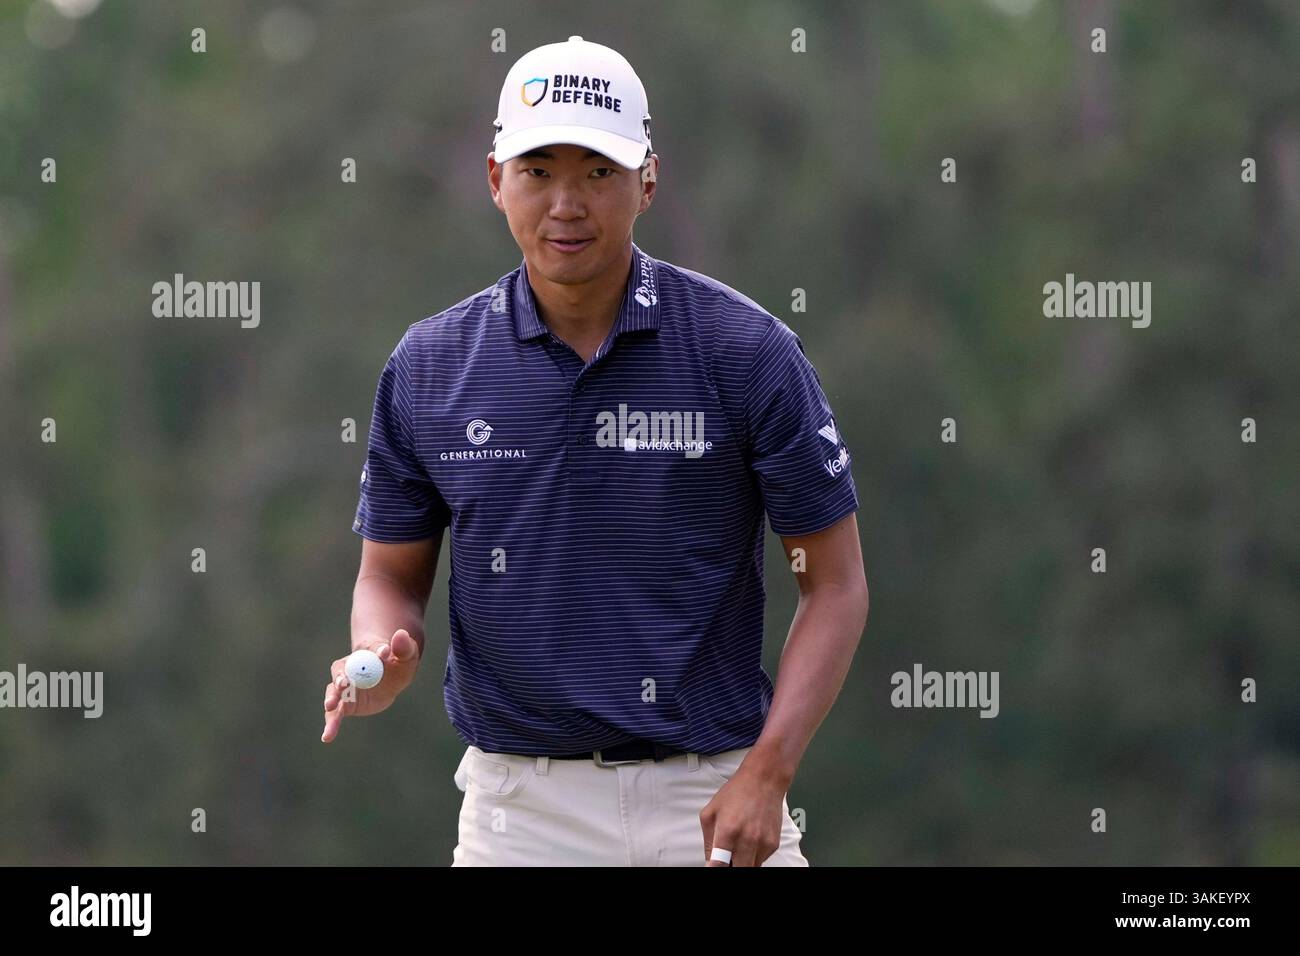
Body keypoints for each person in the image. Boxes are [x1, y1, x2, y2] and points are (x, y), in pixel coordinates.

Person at [321, 35, 869, 867]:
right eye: (540, 171)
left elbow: (833, 584)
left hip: (715, 800)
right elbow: (391, 574)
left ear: (648, 180)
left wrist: (770, 772)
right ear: (495, 178)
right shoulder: (430, 366)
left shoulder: (745, 350)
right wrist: (379, 651)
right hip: (519, 817)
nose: (567, 204)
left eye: (599, 173)